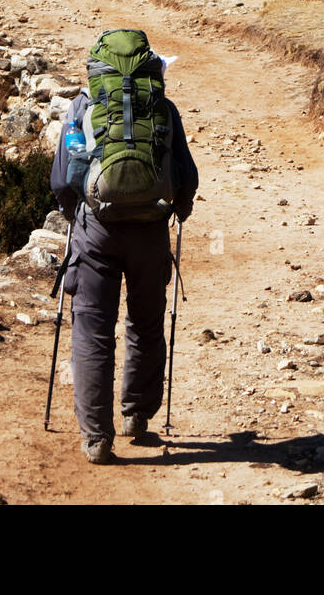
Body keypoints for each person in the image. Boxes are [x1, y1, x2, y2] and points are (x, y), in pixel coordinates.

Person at [50, 30, 198, 464]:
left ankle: (97, 437)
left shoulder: (83, 107)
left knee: (92, 328)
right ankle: (137, 415)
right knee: (147, 321)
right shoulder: (163, 108)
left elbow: (62, 180)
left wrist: (73, 213)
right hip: (151, 228)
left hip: (95, 230)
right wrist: (178, 210)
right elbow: (185, 176)